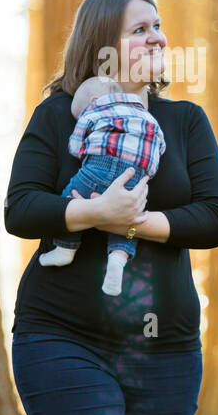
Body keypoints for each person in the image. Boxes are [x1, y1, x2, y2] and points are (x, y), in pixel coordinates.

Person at [5, 0, 218, 415]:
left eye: (157, 26)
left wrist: (128, 221)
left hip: (166, 348)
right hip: (62, 338)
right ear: (102, 46)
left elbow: (215, 220)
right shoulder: (59, 114)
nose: (157, 38)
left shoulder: (185, 121)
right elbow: (21, 208)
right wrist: (89, 211)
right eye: (139, 30)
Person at [37, 73, 167, 297]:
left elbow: (76, 144)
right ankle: (118, 258)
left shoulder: (94, 109)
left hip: (100, 166)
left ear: (93, 101)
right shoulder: (147, 116)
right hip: (136, 176)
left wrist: (81, 153)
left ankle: (66, 248)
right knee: (129, 219)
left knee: (72, 198)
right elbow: (160, 146)